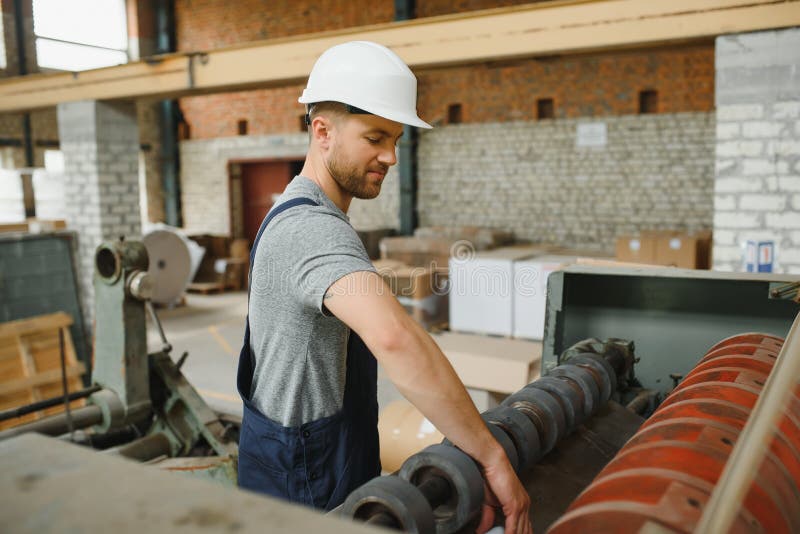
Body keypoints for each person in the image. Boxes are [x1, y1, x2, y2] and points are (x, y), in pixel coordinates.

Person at [237, 40, 532, 534]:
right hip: (303, 485)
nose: (391, 157)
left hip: (315, 463)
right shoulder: (311, 230)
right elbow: (395, 338)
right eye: (376, 137)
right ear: (323, 131)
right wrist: (492, 457)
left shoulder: (307, 216)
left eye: (396, 139)